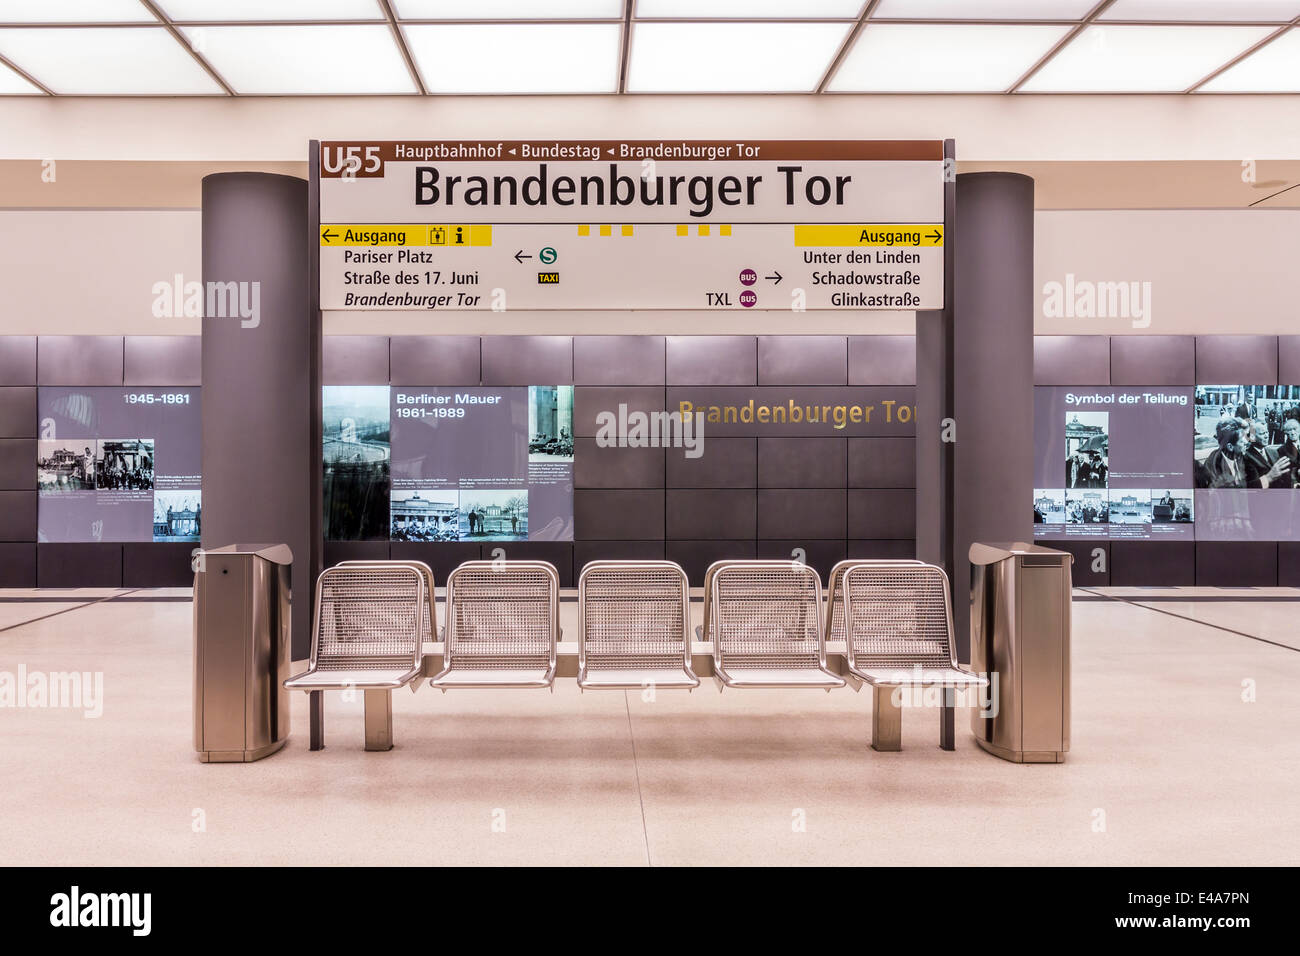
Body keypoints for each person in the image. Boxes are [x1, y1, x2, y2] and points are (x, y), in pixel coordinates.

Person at [1196, 418, 1248, 489]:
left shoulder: (1240, 457)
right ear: (1230, 446)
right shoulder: (1214, 468)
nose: (1247, 442)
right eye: (1242, 441)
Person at [1244, 420, 1290, 489]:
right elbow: (1253, 486)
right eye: (1262, 433)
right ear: (1252, 437)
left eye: (1267, 432)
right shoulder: (1246, 457)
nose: (1266, 436)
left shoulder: (1273, 451)